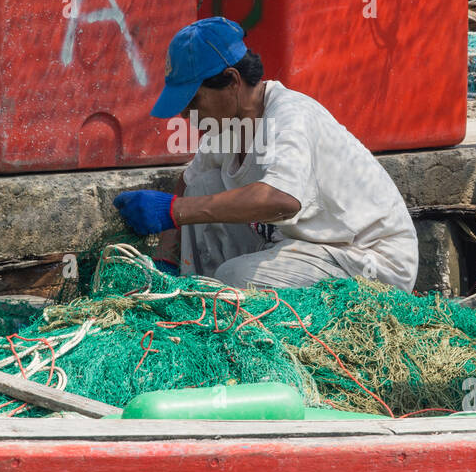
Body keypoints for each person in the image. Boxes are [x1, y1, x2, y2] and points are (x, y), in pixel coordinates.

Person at [113, 16, 418, 291]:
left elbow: (282, 200)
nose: (187, 116)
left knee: (235, 277)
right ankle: (195, 289)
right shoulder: (228, 124)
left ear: (232, 82)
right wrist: (166, 256)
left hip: (366, 259)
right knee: (201, 187)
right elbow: (188, 183)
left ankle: (218, 295)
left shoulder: (289, 116)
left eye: (194, 102)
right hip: (305, 244)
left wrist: (174, 212)